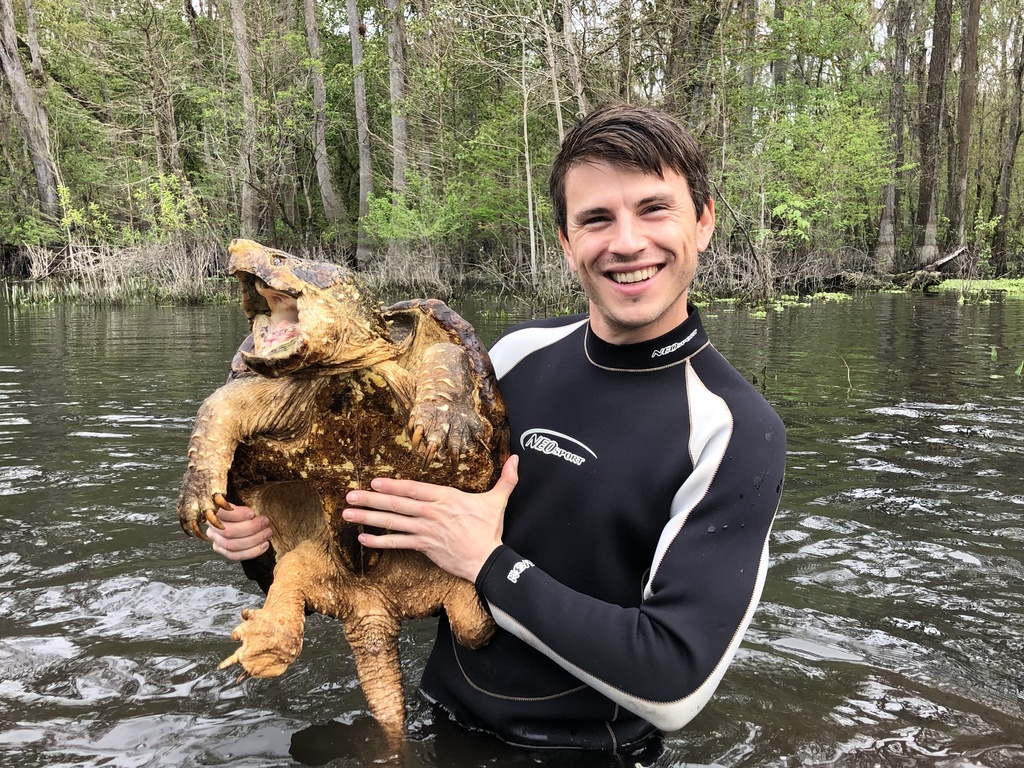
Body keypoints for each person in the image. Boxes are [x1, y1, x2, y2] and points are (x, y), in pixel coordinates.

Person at [209, 103, 786, 761]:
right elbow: (376, 535)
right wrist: (264, 541)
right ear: (566, 241)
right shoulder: (511, 357)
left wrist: (487, 563)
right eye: (597, 218)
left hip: (587, 752)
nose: (627, 242)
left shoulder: (733, 430)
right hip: (440, 722)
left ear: (703, 220)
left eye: (654, 209)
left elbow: (676, 685)